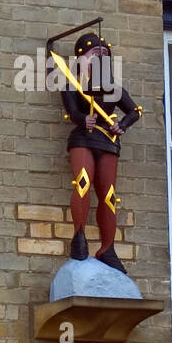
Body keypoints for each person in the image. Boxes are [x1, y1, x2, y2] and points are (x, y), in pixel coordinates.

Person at [58, 31, 142, 273]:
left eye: (104, 55)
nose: (100, 58)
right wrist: (84, 119)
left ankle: (108, 246)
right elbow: (72, 111)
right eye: (96, 54)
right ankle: (79, 236)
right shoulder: (71, 83)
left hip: (107, 139)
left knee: (108, 194)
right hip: (83, 137)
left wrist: (122, 125)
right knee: (83, 182)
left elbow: (134, 111)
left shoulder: (112, 87)